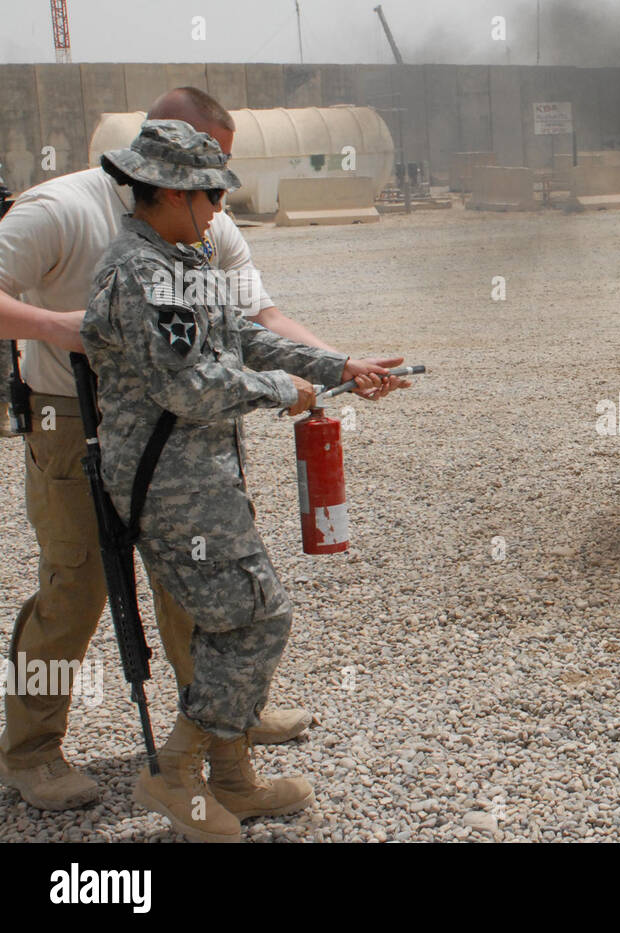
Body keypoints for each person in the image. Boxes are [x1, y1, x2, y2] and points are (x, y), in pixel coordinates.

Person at [0, 86, 404, 811]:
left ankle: (226, 742)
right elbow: (195, 375)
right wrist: (64, 329)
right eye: (213, 176)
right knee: (76, 591)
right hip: (77, 416)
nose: (222, 192)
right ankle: (32, 750)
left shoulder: (194, 238)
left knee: (203, 597)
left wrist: (340, 364)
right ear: (169, 169)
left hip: (188, 437)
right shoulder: (62, 211)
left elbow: (249, 320)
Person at [82, 119, 372, 842]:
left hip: (199, 472)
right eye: (211, 194)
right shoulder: (143, 274)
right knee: (256, 616)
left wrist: (338, 367)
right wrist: (282, 390)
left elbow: (237, 336)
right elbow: (193, 386)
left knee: (233, 617)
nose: (219, 208)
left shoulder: (180, 256)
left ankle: (231, 780)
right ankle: (174, 773)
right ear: (173, 193)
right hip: (170, 481)